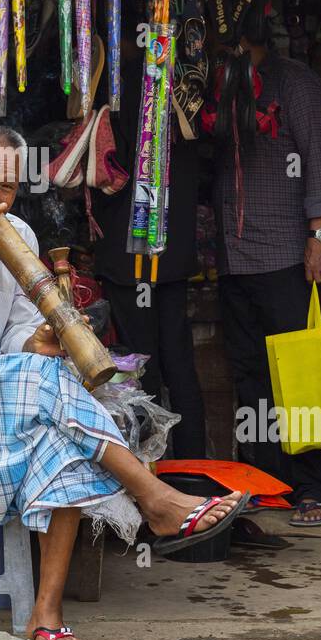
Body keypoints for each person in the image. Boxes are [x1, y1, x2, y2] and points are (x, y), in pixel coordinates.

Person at [0, 122, 248, 640]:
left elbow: (17, 342)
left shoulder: (18, 234)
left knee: (61, 438)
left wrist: (44, 339)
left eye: (6, 186)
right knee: (49, 390)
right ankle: (153, 497)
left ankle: (45, 616)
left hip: (4, 390)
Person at [203, 0, 321, 526]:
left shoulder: (295, 84)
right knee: (250, 375)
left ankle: (315, 487)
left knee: (302, 377)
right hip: (236, 258)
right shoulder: (224, 84)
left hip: (288, 253)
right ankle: (268, 482)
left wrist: (319, 237)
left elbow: (319, 161)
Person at [92, 30, 207, 457]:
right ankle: (190, 469)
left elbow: (105, 174)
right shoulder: (185, 94)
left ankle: (154, 473)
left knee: (144, 370)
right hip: (166, 261)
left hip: (134, 261)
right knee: (177, 365)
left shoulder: (118, 95)